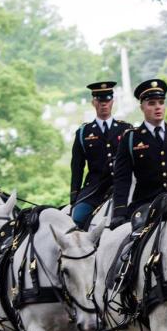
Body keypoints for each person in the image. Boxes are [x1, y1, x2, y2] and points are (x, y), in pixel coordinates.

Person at [109, 79, 167, 228]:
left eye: (161, 102)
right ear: (142, 107)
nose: (158, 107)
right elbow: (122, 179)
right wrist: (119, 212)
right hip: (145, 205)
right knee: (129, 246)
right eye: (151, 103)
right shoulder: (130, 138)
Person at [70, 81, 131, 229]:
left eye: (107, 100)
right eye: (100, 100)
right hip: (95, 190)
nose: (104, 104)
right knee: (77, 219)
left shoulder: (126, 129)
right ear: (93, 102)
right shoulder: (83, 133)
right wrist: (74, 197)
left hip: (123, 187)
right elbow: (77, 167)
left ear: (112, 102)